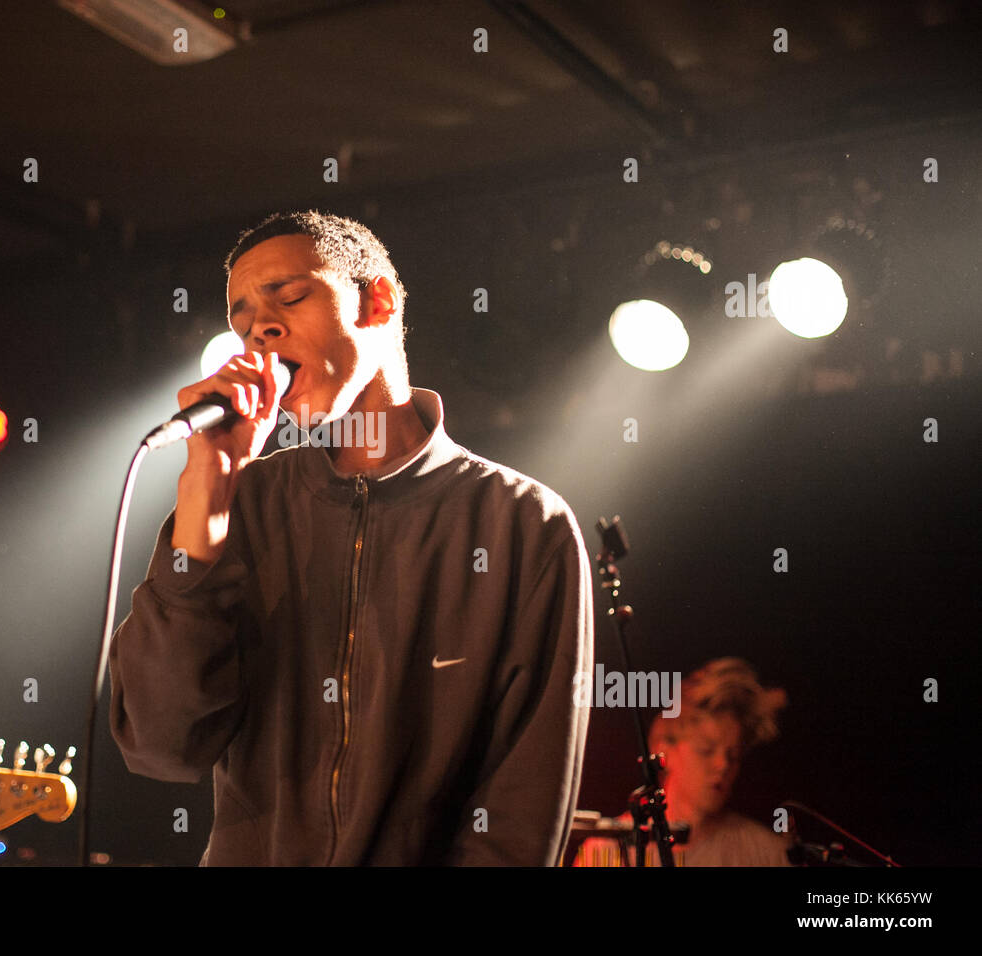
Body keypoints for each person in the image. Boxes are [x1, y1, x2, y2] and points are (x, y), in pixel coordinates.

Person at [109, 210, 594, 865]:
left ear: (378, 302)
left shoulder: (520, 523)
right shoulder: (242, 505)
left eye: (289, 297)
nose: (260, 330)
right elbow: (161, 747)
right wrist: (207, 493)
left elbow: (521, 812)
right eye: (243, 322)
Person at [573, 657, 790, 866]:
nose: (723, 765)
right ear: (663, 750)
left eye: (733, 756)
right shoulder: (606, 850)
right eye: (706, 750)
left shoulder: (767, 854)